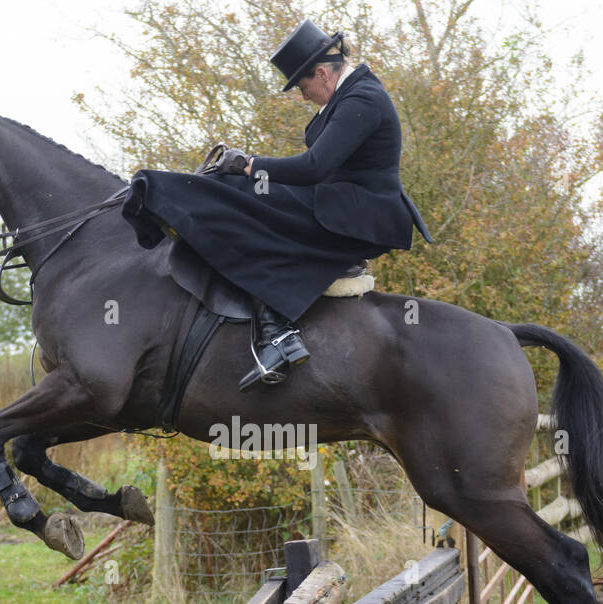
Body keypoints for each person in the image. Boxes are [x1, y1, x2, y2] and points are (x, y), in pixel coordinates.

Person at [121, 18, 432, 391]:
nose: (304, 97)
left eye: (303, 88)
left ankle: (279, 334)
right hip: (341, 204)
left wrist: (250, 165)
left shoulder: (363, 99)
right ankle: (271, 325)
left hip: (359, 216)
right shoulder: (347, 95)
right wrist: (244, 172)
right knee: (235, 187)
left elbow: (314, 166)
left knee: (244, 194)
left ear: (321, 73)